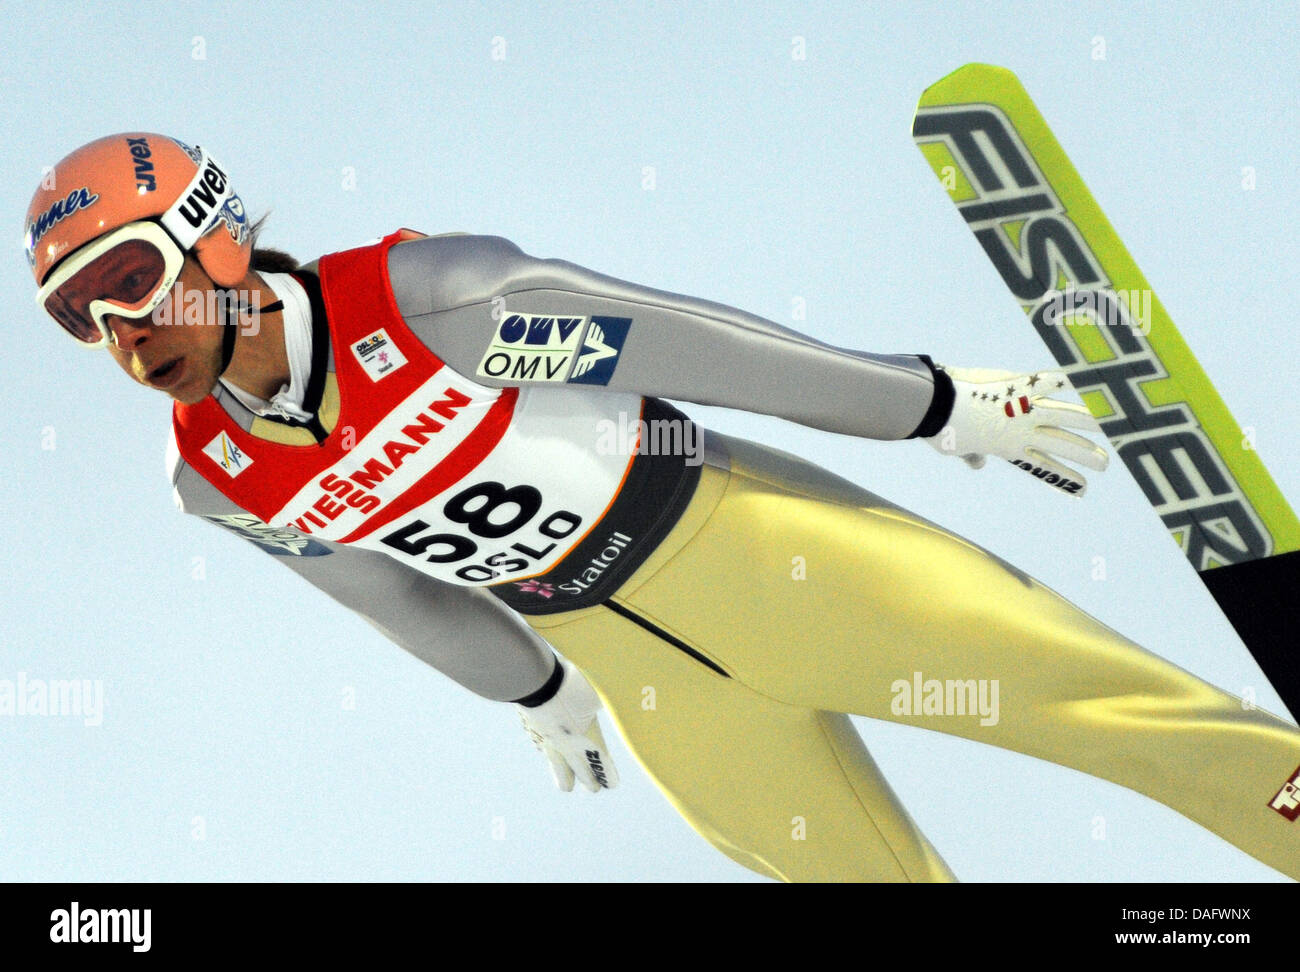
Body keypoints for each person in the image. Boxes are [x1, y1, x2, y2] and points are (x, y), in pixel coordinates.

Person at [26, 132, 1300, 882]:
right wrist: (530, 693)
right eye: (84, 317)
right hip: (640, 676)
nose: (128, 335)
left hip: (761, 550)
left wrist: (923, 403)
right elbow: (390, 593)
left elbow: (697, 353)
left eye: (134, 278)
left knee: (1102, 706)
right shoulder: (222, 477)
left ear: (216, 240)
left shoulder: (431, 313)